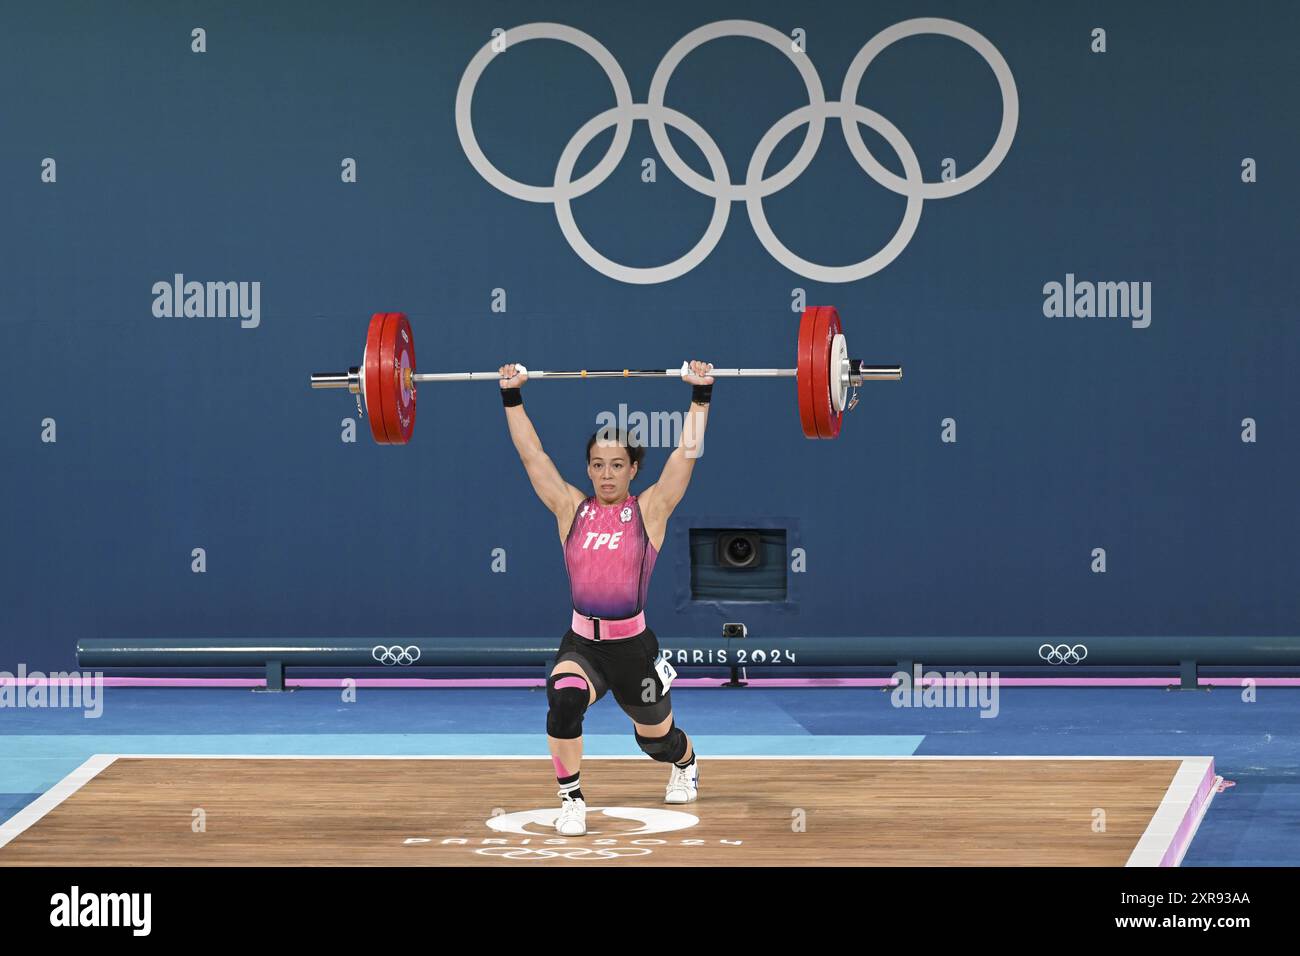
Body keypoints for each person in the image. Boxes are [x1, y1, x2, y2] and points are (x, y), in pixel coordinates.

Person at [498, 359, 714, 836]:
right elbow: (532, 454)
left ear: (634, 469)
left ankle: (686, 761)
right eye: (598, 465)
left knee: (656, 739)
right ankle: (571, 798)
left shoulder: (650, 511)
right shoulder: (570, 508)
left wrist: (700, 396)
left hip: (633, 650)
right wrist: (511, 395)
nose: (606, 474)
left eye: (617, 465)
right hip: (582, 645)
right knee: (564, 698)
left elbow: (685, 455)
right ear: (589, 470)